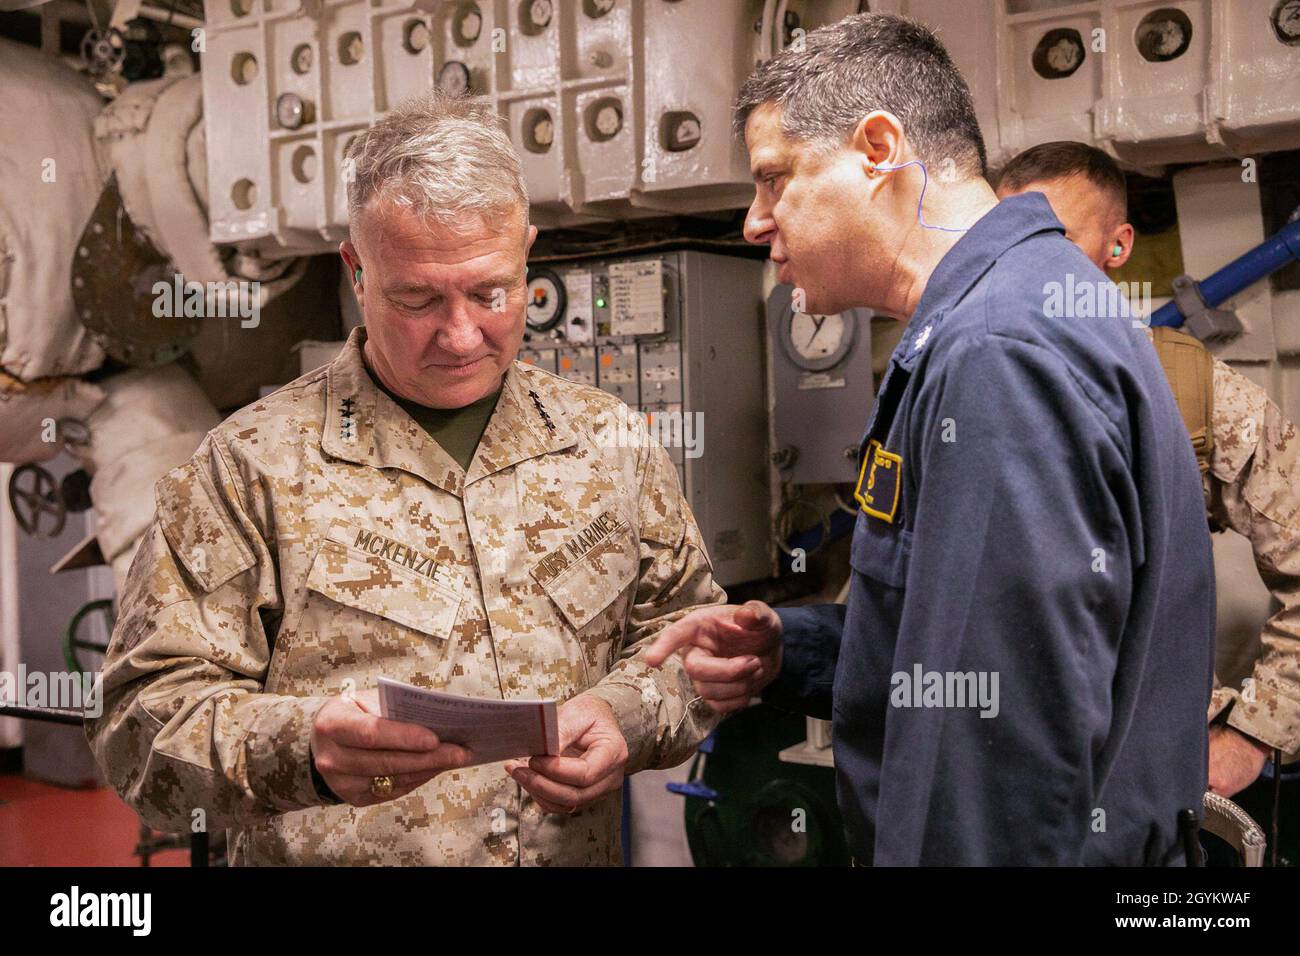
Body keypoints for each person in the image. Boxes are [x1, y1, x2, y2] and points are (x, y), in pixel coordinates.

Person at [86, 91, 723, 866]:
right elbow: (138, 730)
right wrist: (304, 749)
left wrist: (625, 718)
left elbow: (691, 646)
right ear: (357, 271)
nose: (460, 335)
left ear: (527, 252)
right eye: (417, 298)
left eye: (492, 293)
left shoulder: (609, 442)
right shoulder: (249, 467)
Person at [646, 12, 1215, 865]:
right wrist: (789, 647)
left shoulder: (996, 352)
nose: (754, 223)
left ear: (880, 148)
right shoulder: (1025, 301)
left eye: (774, 180)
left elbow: (991, 765)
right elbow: (961, 648)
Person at [995, 141, 1300, 798]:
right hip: (989, 770)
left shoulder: (1190, 393)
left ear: (1118, 246)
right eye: (1004, 244)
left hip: (1136, 772)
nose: (1024, 271)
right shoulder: (945, 386)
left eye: (1053, 241)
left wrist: (1255, 734)